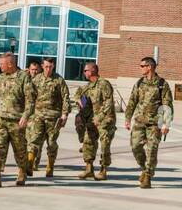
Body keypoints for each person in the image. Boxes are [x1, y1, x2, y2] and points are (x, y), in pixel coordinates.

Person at [0, 52, 34, 188]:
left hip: (16, 121)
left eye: (1, 64)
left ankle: (22, 172)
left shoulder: (24, 77)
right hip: (1, 119)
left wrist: (25, 116)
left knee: (20, 149)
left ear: (10, 64)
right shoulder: (0, 78)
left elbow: (30, 100)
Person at [124, 56, 173, 189]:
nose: (140, 68)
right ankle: (146, 168)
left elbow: (167, 105)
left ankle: (147, 175)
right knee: (135, 147)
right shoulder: (139, 83)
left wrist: (166, 124)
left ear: (149, 67)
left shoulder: (162, 84)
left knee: (152, 151)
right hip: (139, 122)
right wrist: (127, 118)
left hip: (154, 124)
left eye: (142, 66)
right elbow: (132, 101)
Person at [27, 57, 70, 178]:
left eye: (50, 67)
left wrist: (64, 114)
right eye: (46, 66)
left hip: (53, 117)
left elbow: (66, 97)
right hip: (38, 116)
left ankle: (50, 166)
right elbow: (30, 96)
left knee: (51, 143)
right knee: (34, 140)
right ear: (42, 66)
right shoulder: (36, 79)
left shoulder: (59, 80)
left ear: (53, 66)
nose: (48, 69)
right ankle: (30, 164)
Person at [74, 62, 116, 180]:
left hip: (106, 120)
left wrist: (100, 117)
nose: (84, 73)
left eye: (85, 70)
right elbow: (77, 95)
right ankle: (89, 169)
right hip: (91, 120)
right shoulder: (87, 86)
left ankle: (103, 170)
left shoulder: (104, 84)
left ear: (92, 71)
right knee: (88, 142)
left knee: (104, 145)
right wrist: (79, 101)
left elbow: (109, 102)